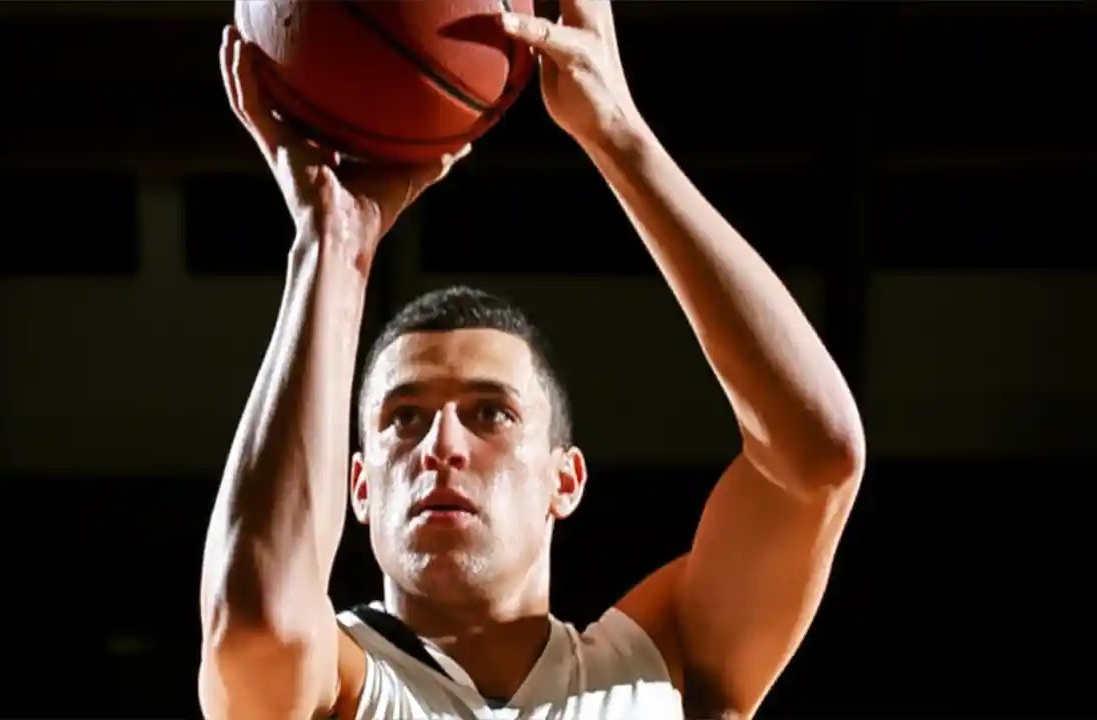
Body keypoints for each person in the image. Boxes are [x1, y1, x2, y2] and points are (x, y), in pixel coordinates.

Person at [198, 2, 866, 718]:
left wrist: (619, 133)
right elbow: (258, 621)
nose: (441, 447)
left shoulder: (659, 665)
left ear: (565, 478)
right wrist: (331, 248)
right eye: (404, 419)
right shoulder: (336, 688)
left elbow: (815, 458)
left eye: (491, 413)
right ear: (357, 487)